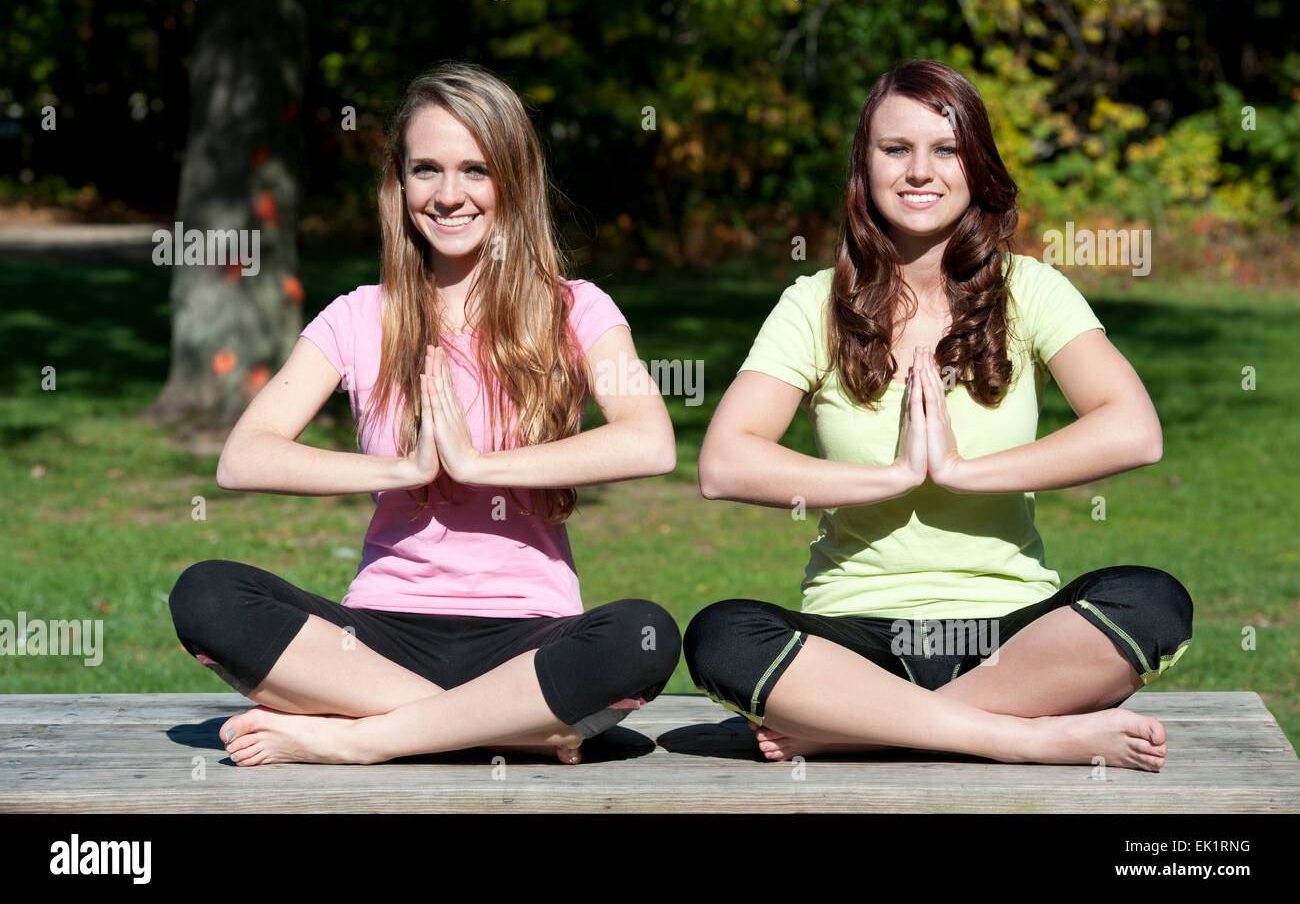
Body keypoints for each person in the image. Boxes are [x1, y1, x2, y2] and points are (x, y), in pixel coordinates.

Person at [684, 58, 1192, 773]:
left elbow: (1134, 429)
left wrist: (960, 471)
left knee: (1152, 600)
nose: (920, 171)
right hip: (855, 635)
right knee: (721, 635)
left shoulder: (1032, 290)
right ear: (865, 166)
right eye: (896, 150)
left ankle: (866, 726)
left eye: (945, 149)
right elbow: (723, 461)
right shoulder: (813, 303)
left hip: (1014, 633)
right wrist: (896, 476)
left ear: (975, 165)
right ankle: (1017, 734)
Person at [169, 61, 680, 766]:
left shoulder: (576, 308)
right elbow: (244, 455)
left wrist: (477, 465)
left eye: (475, 170)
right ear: (398, 182)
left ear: (514, 181)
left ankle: (363, 738)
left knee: (641, 635)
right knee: (206, 595)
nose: (448, 195)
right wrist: (404, 466)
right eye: (425, 170)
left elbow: (650, 441)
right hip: (377, 638)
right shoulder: (358, 315)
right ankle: (512, 726)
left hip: (529, 637)